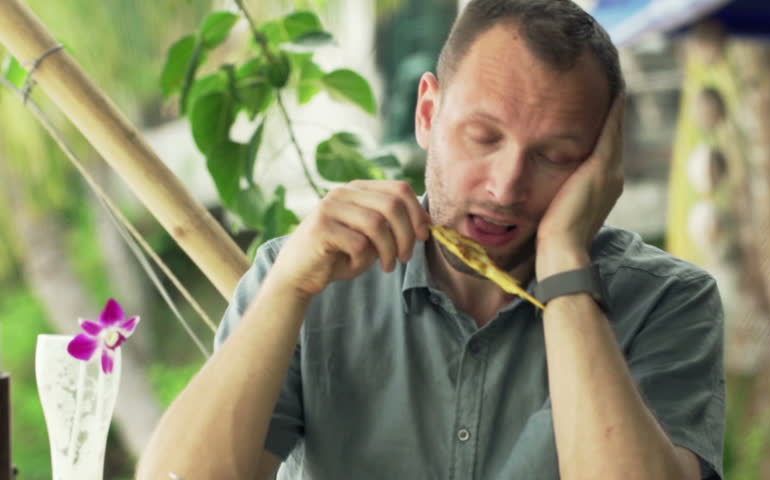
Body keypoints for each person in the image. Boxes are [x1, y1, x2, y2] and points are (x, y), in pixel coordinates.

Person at [137, 1, 725, 479]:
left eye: (556, 156)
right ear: (426, 114)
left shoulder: (667, 303)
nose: (506, 186)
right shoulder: (305, 279)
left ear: (601, 165)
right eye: (483, 137)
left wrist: (566, 265)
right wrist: (287, 289)